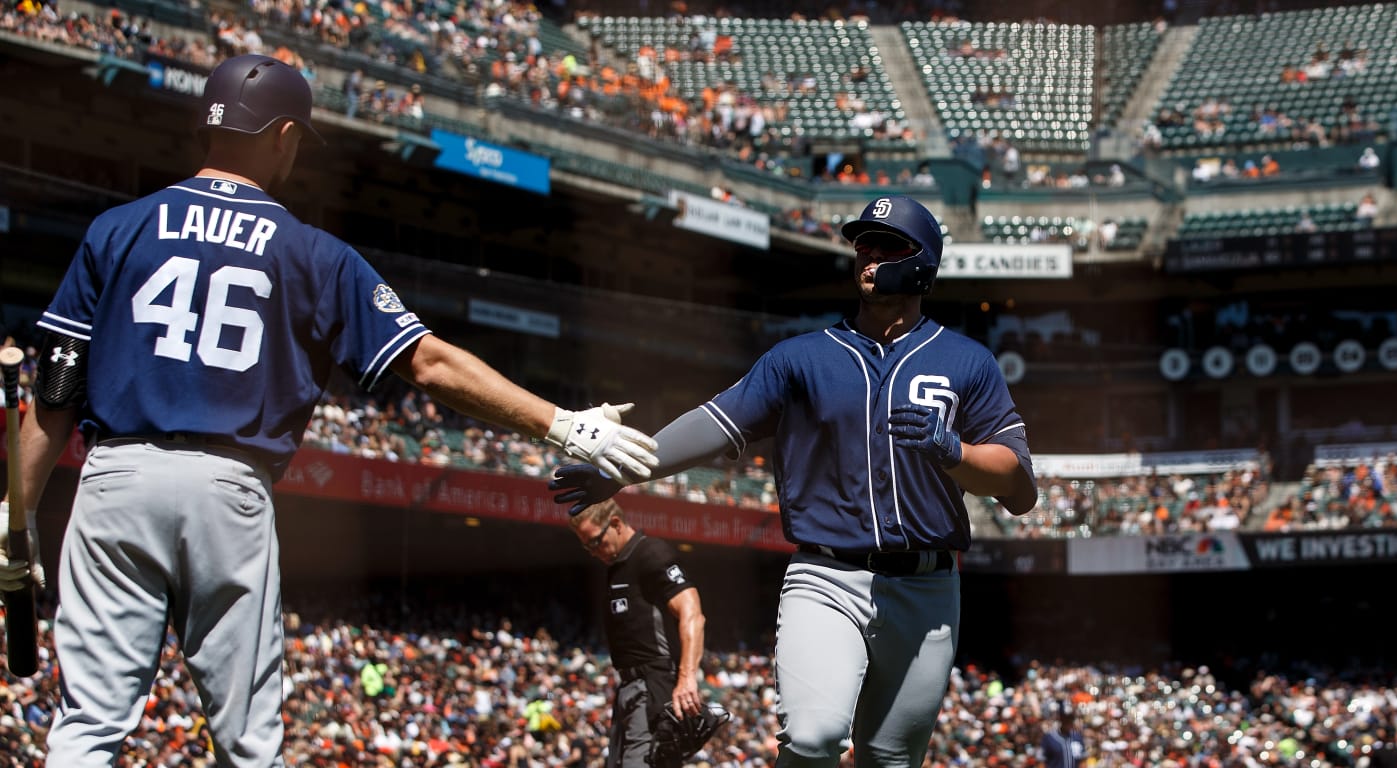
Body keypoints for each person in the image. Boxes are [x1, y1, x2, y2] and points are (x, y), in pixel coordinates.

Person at [0, 54, 658, 767]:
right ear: (284, 134)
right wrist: (564, 423)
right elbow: (430, 363)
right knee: (249, 745)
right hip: (228, 487)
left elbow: (57, 392)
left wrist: (15, 521)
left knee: (87, 730)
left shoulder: (117, 228)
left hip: (115, 480)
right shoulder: (314, 253)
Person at [550, 195, 1038, 767]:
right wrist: (623, 467)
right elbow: (717, 420)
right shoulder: (800, 358)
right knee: (811, 739)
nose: (870, 255)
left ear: (923, 262)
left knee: (890, 761)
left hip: (927, 588)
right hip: (825, 574)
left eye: (888, 245)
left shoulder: (967, 362)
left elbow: (1021, 488)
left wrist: (954, 453)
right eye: (863, 244)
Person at [569, 500, 714, 767]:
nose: (592, 551)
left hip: (652, 687)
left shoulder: (649, 553)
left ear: (615, 524)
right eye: (586, 546)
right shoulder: (618, 565)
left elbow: (692, 612)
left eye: (595, 542)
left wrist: (687, 679)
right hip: (628, 688)